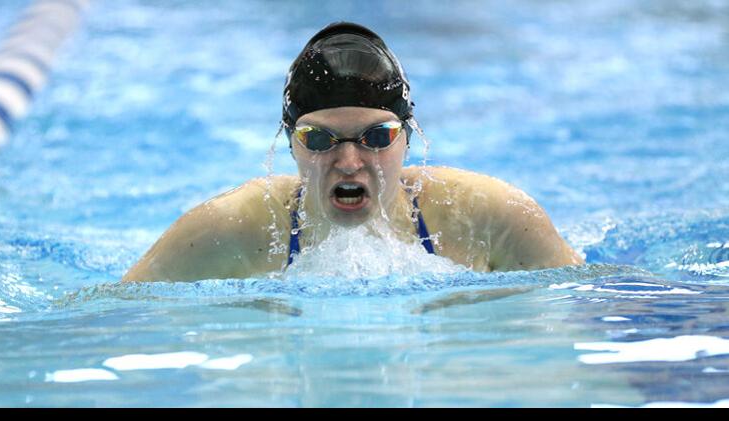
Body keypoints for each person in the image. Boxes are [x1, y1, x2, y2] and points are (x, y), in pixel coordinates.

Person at [122, 22, 583, 282]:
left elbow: (591, 310)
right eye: (320, 139)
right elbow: (110, 317)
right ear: (290, 145)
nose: (349, 162)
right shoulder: (227, 229)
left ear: (407, 136)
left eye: (376, 137)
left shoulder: (491, 218)